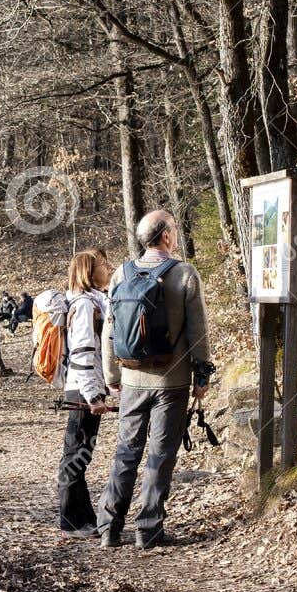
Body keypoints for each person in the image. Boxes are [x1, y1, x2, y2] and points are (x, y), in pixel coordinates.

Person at [97, 210, 213, 549]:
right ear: (165, 237)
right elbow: (198, 332)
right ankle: (148, 529)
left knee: (126, 453)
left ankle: (109, 527)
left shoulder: (121, 272)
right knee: (160, 455)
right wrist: (202, 374)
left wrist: (112, 374)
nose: (175, 233)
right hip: (171, 382)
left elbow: (110, 329)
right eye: (174, 229)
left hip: (132, 380)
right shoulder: (184, 274)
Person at [57, 249, 114, 537]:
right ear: (88, 272)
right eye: (102, 265)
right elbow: (82, 352)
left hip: (85, 388)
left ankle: (84, 518)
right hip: (82, 390)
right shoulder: (83, 306)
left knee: (81, 454)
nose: (108, 268)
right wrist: (93, 396)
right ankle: (71, 521)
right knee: (76, 454)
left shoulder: (91, 303)